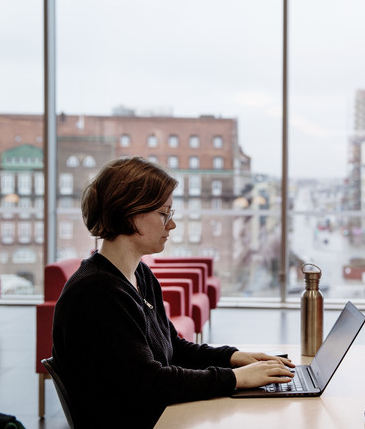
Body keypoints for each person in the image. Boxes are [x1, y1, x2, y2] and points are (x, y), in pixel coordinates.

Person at [52, 157, 294, 428]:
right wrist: (236, 379)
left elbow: (173, 347)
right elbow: (151, 383)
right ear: (130, 213)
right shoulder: (96, 293)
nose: (171, 225)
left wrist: (234, 357)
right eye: (164, 213)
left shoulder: (139, 275)